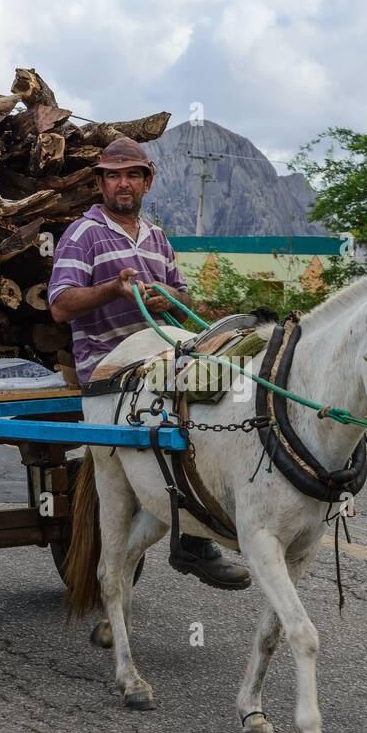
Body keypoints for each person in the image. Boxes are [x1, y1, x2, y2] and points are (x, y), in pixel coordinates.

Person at [47, 137, 251, 591]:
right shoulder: (83, 234)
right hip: (109, 367)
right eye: (114, 175)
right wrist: (112, 290)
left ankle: (213, 514)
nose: (124, 183)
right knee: (184, 412)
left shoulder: (156, 237)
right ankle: (194, 540)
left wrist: (169, 296)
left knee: (225, 390)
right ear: (101, 182)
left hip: (159, 356)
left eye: (132, 175)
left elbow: (184, 297)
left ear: (147, 182)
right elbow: (60, 305)